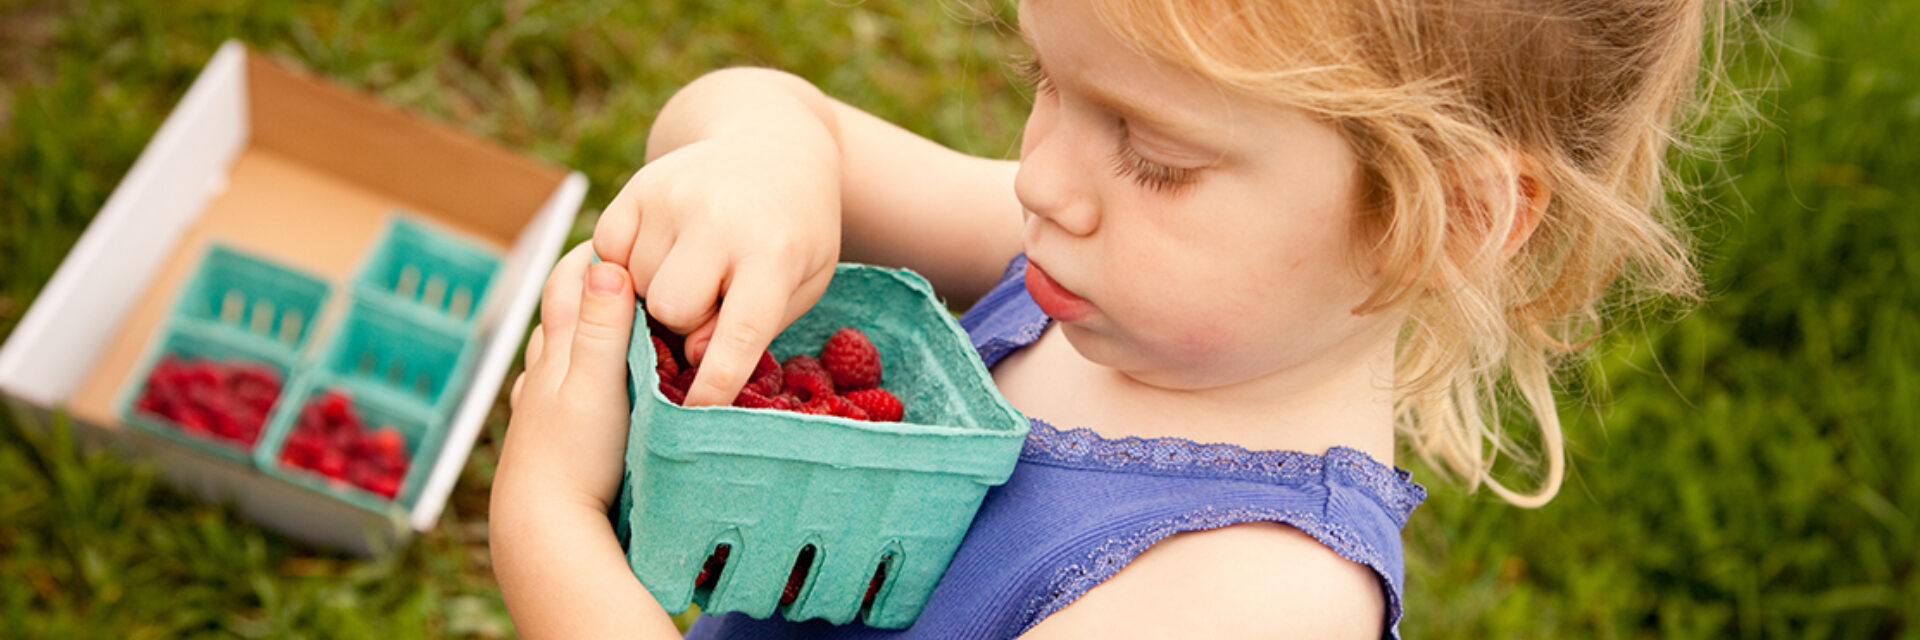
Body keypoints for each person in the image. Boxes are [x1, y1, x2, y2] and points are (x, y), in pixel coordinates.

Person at [491, 0, 1720, 637]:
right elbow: (763, 110)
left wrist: (548, 524)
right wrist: (765, 165)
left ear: (1444, 215)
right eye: (1046, 83)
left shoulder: (1250, 600)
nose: (1040, 182)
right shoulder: (1110, 282)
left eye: (1156, 154)